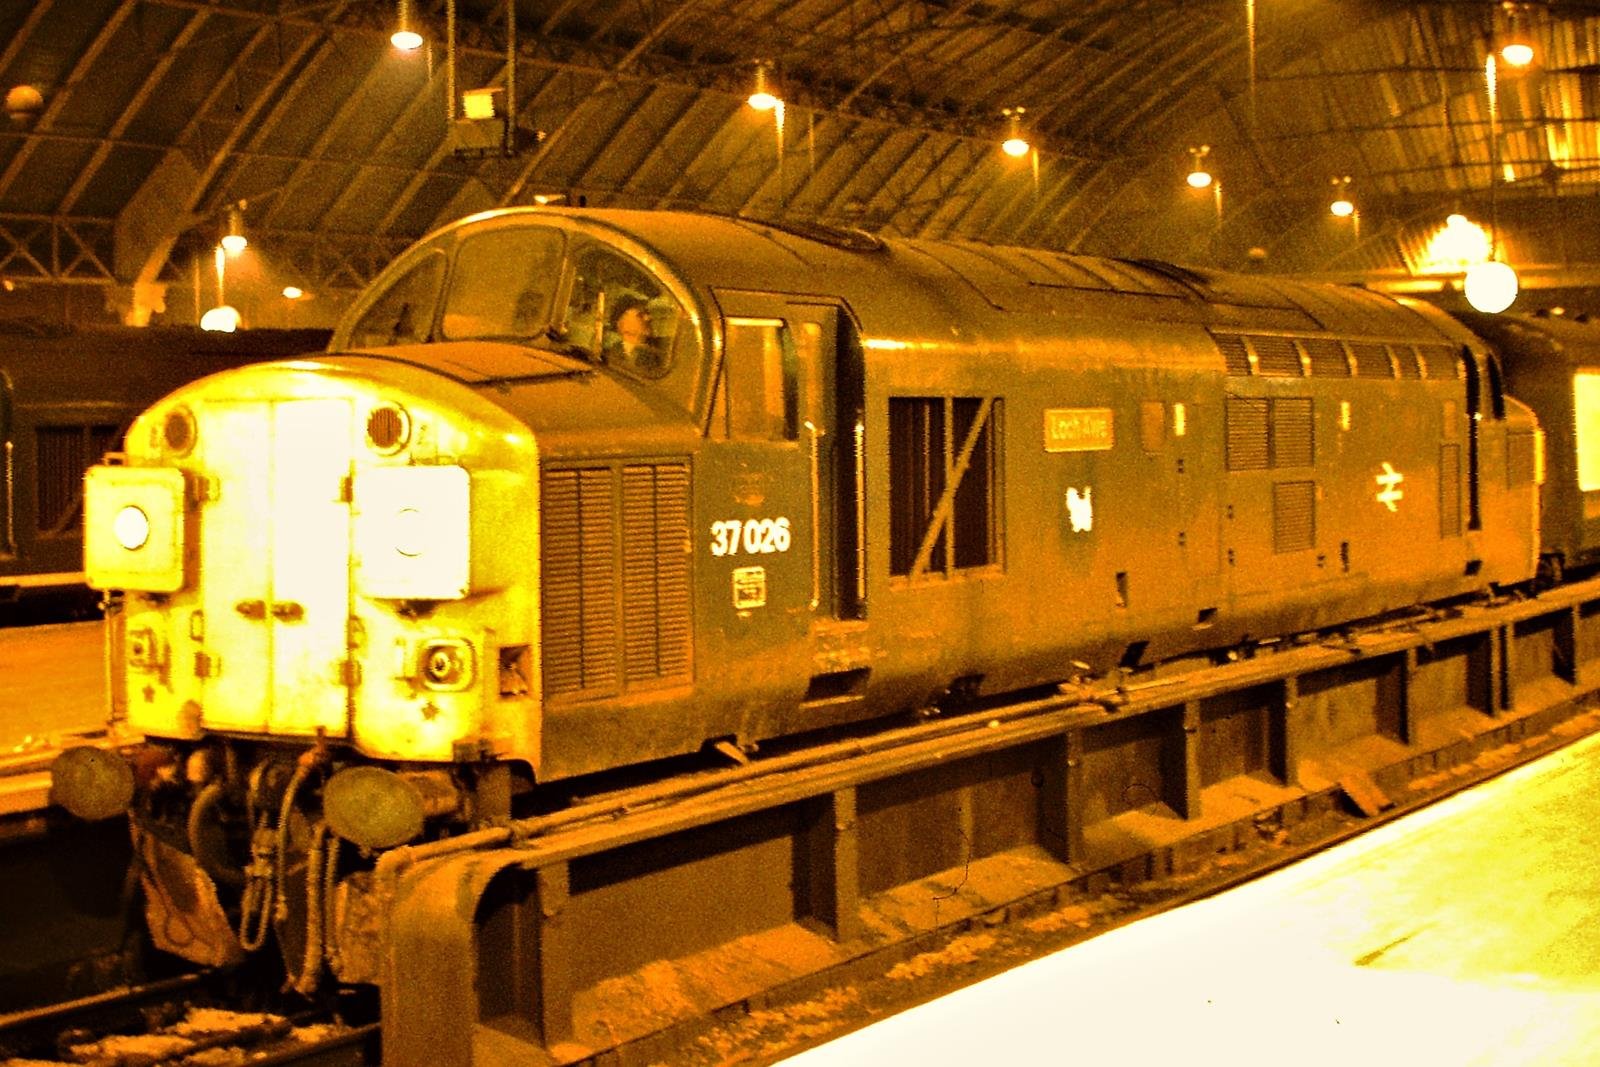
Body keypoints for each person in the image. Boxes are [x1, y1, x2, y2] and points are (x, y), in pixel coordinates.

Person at [604, 293, 664, 373]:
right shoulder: (608, 354)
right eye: (640, 315)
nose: (647, 318)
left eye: (647, 313)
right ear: (621, 322)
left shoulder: (658, 357)